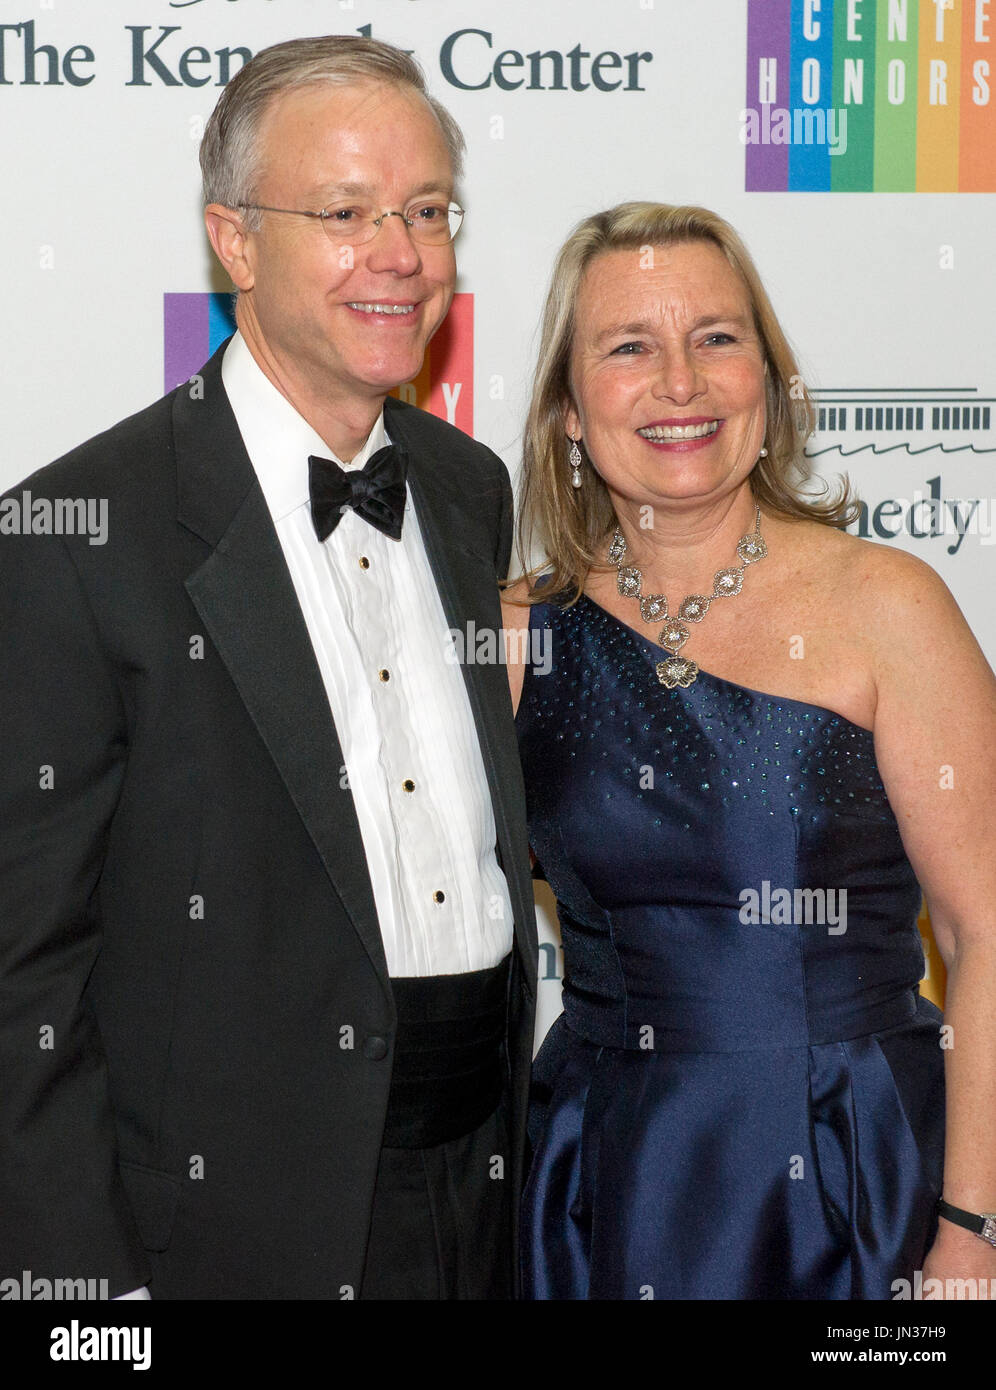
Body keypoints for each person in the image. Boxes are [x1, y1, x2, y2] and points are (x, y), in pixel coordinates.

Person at [0, 35, 537, 1300]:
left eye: (424, 210)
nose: (398, 252)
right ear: (234, 242)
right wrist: (87, 1298)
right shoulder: (78, 533)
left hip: (483, 1190)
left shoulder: (467, 490)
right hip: (233, 1225)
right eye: (345, 212)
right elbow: (23, 968)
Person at [501, 202, 996, 1300]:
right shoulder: (516, 638)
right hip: (600, 1179)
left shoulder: (889, 605)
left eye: (718, 338)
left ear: (766, 386)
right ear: (568, 411)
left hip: (859, 1172)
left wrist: (975, 1227)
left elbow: (985, 928)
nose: (680, 382)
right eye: (629, 347)